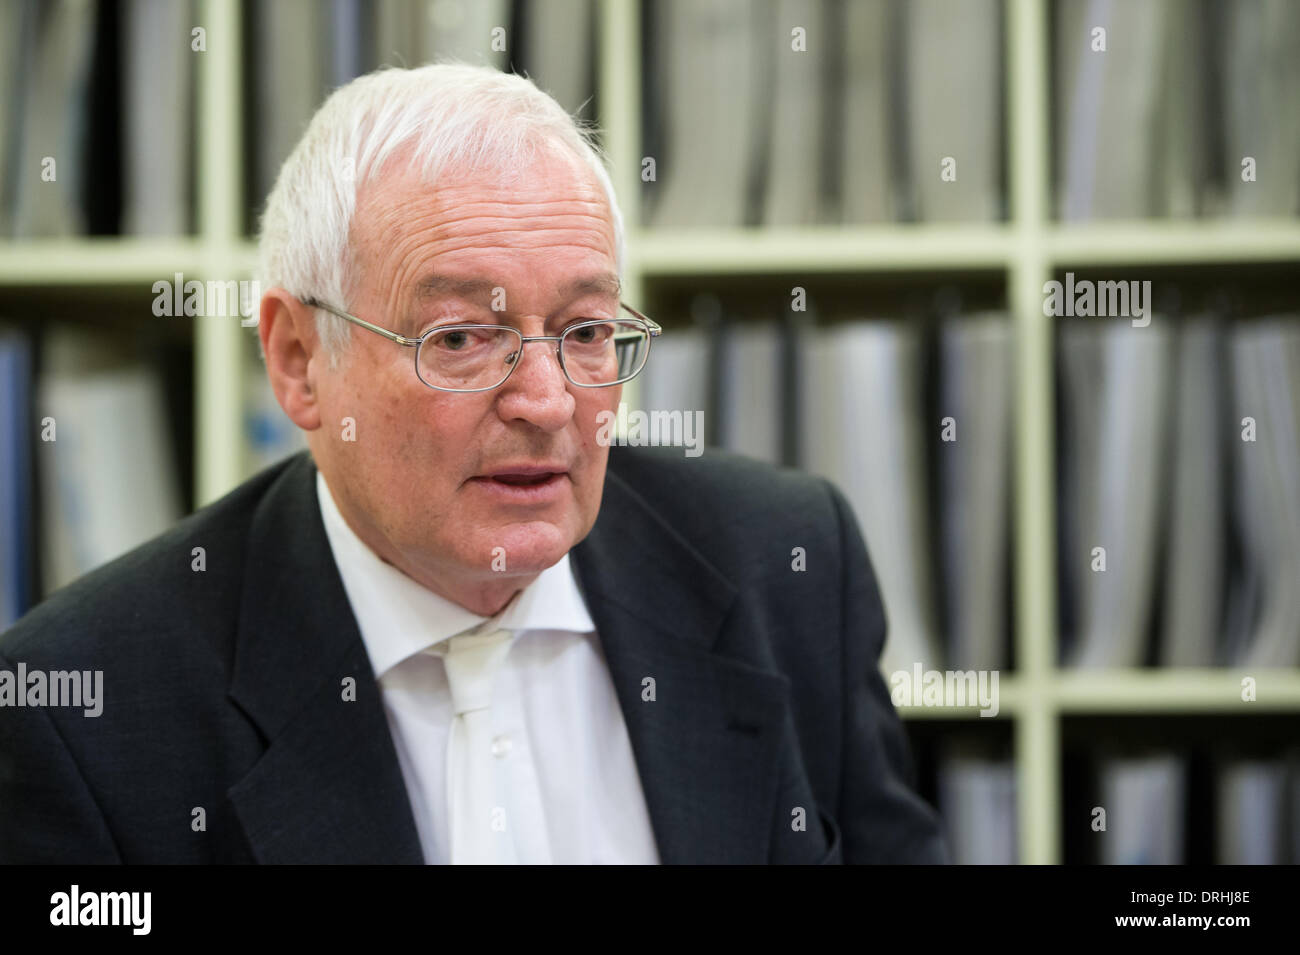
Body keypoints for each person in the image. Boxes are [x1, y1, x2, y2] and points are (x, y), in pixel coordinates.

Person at [0, 64, 947, 864]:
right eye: (459, 336)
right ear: (298, 361)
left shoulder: (787, 567)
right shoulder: (84, 710)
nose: (545, 401)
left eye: (584, 330)